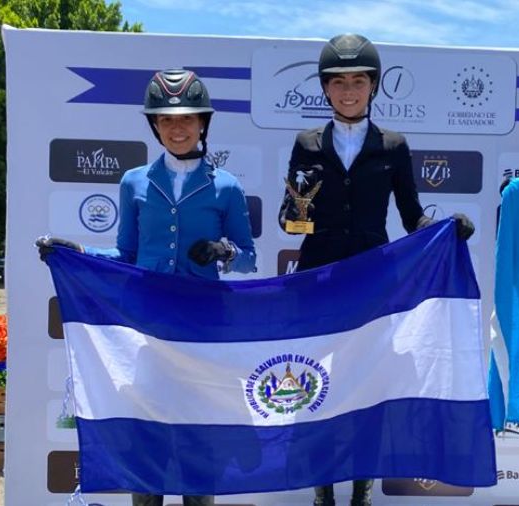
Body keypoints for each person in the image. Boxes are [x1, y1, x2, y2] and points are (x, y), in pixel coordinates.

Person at [38, 68, 257, 506]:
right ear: (155, 125)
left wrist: (223, 251)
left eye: (187, 119)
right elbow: (126, 255)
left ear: (203, 123)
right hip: (148, 325)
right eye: (166, 120)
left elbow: (249, 258)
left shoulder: (226, 186)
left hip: (200, 328)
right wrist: (77, 251)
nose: (177, 128)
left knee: (197, 436)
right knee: (146, 432)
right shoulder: (134, 181)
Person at [277, 33, 475, 506]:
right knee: (318, 383)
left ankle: (361, 492)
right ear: (325, 88)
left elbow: (411, 217)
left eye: (358, 81)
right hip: (320, 280)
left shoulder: (393, 144)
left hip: (373, 283)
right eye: (339, 81)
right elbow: (290, 220)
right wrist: (297, 212)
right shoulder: (306, 143)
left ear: (373, 86)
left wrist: (446, 227)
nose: (348, 91)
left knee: (368, 385)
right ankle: (323, 492)